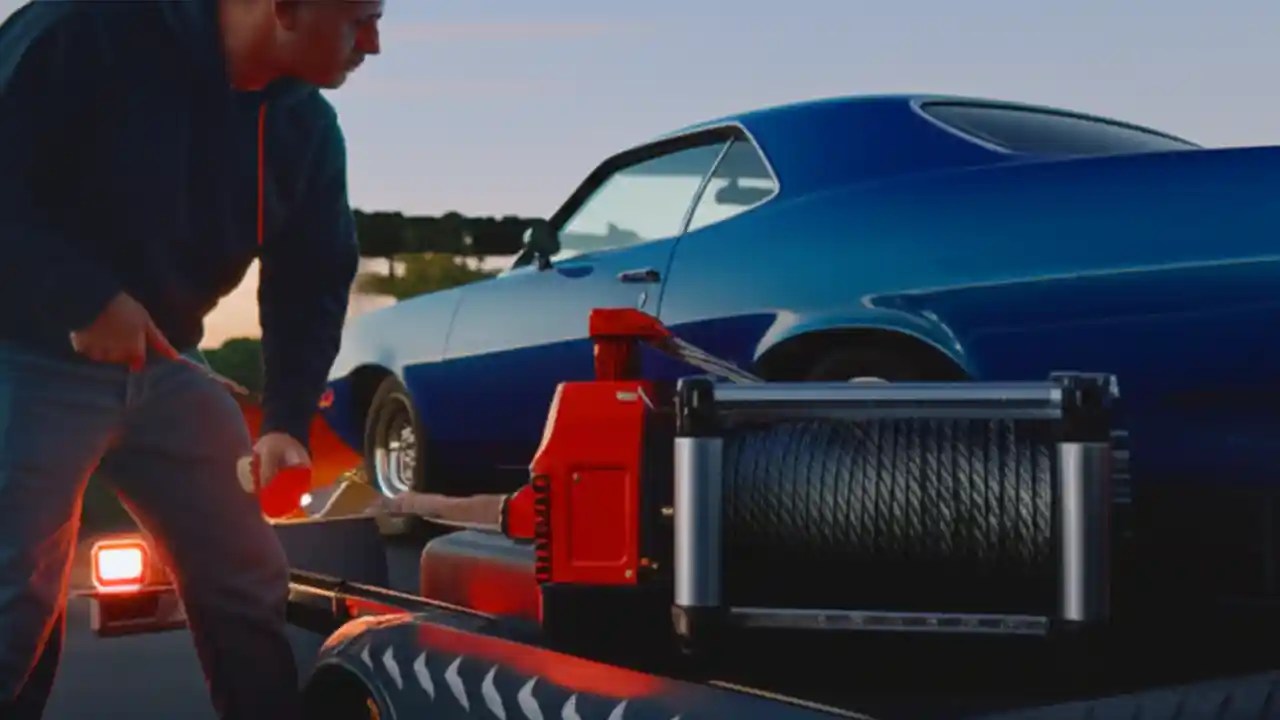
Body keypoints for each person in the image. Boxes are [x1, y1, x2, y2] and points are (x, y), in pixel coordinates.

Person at [0, 0, 382, 717]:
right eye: (360, 18)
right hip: (21, 347)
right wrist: (81, 298)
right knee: (15, 596)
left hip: (167, 365)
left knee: (246, 576)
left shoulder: (304, 129)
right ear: (284, 7)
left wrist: (287, 421)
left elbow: (311, 279)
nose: (373, 43)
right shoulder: (80, 31)